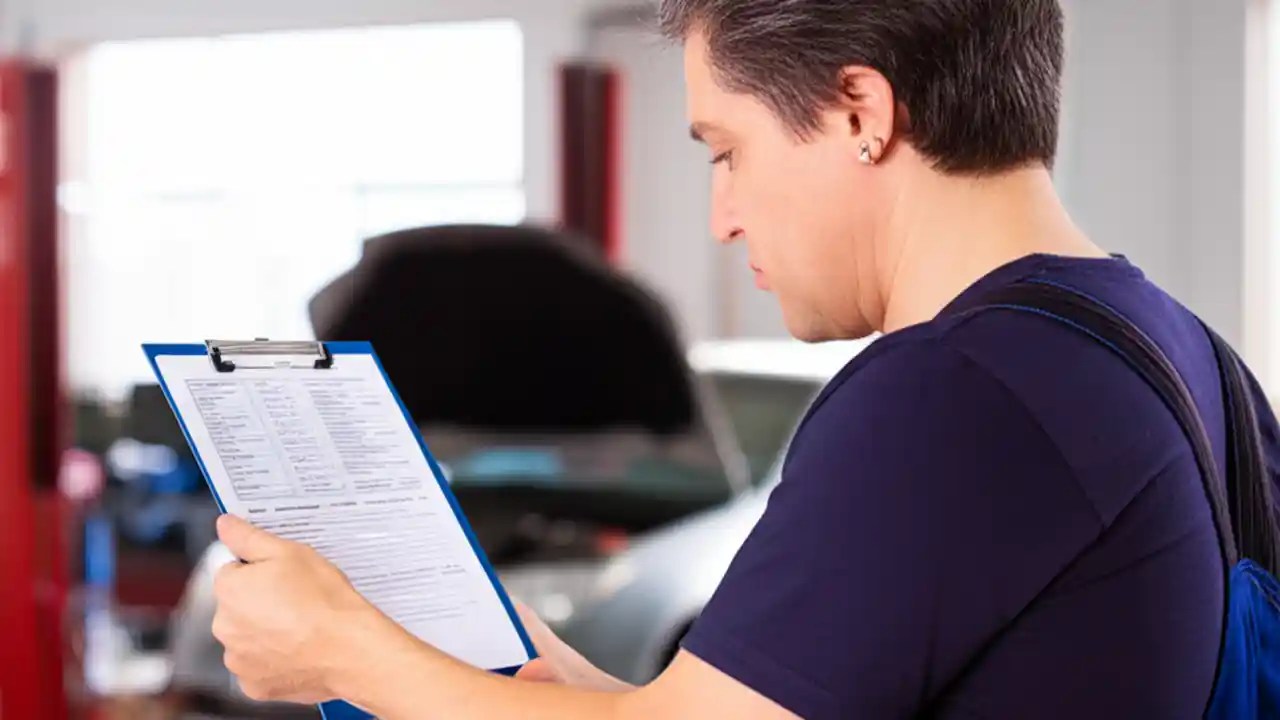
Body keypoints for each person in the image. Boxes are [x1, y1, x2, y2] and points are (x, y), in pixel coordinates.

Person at [208, 1, 1280, 717]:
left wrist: (343, 653)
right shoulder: (1180, 355)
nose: (721, 216)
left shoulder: (955, 391)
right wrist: (514, 661)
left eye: (727, 151)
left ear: (860, 113)